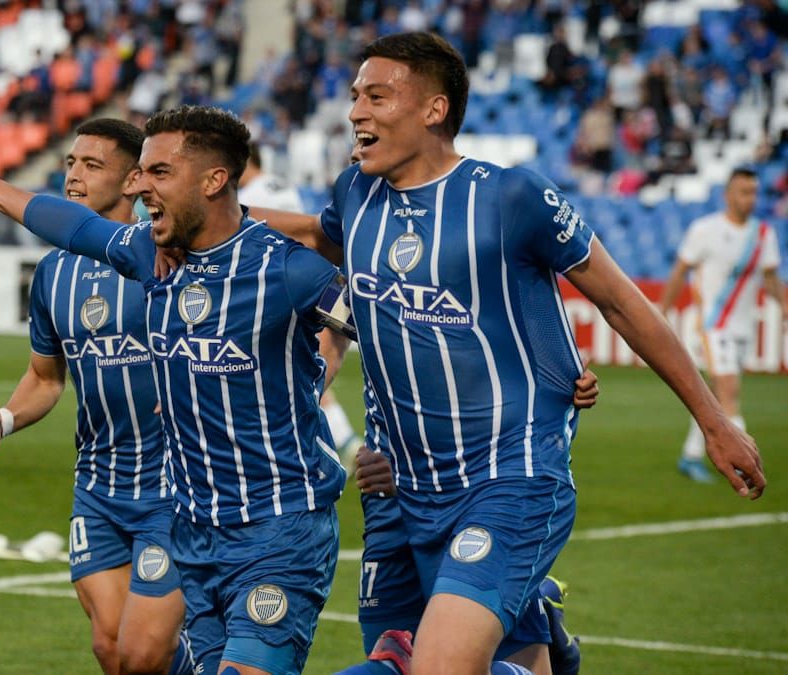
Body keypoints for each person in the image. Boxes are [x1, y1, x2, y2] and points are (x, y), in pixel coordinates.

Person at [246, 32, 764, 675]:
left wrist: (715, 422)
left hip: (507, 479)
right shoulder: (356, 191)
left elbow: (623, 301)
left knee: (433, 667)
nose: (356, 111)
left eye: (377, 96)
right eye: (355, 96)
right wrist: (210, 218)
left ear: (433, 110)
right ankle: (540, 639)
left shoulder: (511, 196)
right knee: (416, 662)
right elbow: (316, 240)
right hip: (395, 488)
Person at [0, 105, 349, 675]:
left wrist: (328, 383)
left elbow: (378, 331)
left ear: (212, 181)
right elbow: (72, 226)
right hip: (193, 526)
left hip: (279, 527)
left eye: (157, 172)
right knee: (138, 658)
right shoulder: (146, 255)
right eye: (140, 171)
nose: (140, 185)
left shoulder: (285, 269)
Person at [0, 119, 191, 675]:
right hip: (98, 485)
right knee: (110, 649)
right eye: (70, 163)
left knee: (145, 653)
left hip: (173, 485)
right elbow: (45, 378)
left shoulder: (167, 257)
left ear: (135, 179)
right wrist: (8, 417)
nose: (74, 175)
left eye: (93, 166)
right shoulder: (51, 273)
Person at [237, 140, 361, 466]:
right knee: (309, 369)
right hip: (310, 278)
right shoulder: (279, 184)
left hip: (277, 288)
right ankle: (342, 445)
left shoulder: (250, 197)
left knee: (286, 374)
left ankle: (329, 447)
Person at [659, 168, 783, 483]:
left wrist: (784, 306)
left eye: (754, 192)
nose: (750, 199)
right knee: (729, 393)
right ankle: (746, 464)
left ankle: (690, 456)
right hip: (714, 326)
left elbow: (770, 280)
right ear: (727, 195)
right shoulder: (705, 230)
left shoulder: (763, 235)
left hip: (743, 329)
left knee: (714, 397)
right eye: (743, 192)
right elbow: (680, 271)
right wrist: (662, 311)